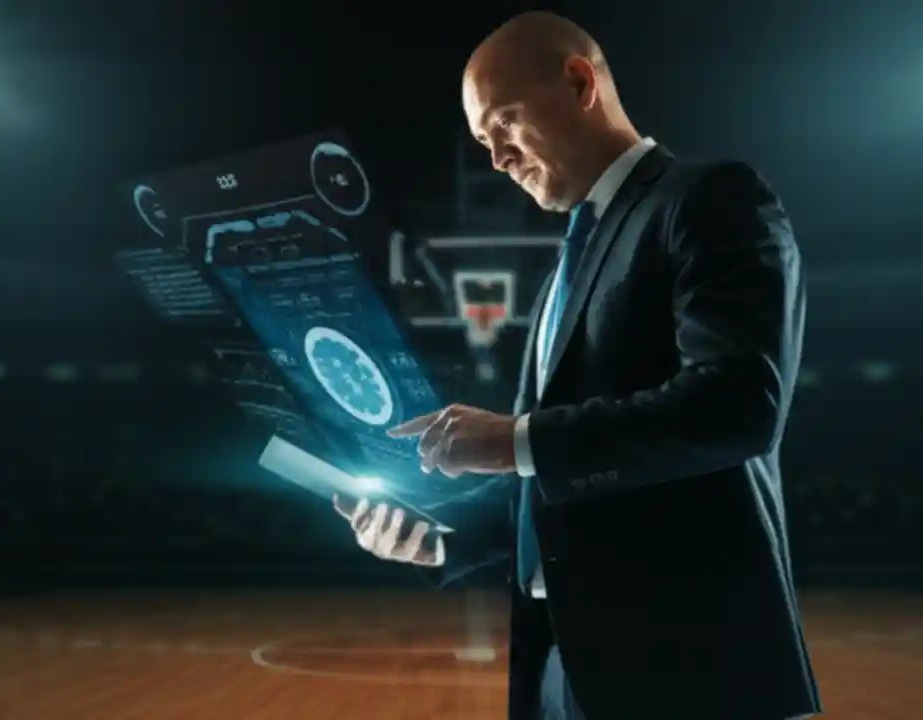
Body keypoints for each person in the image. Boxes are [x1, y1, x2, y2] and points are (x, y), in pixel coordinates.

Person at [332, 10, 821, 720]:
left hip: (692, 669)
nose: (495, 157)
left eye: (503, 122)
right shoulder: (573, 255)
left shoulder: (707, 198)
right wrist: (437, 541)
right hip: (568, 666)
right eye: (480, 140)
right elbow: (565, 494)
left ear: (578, 81)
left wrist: (516, 440)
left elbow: (739, 406)